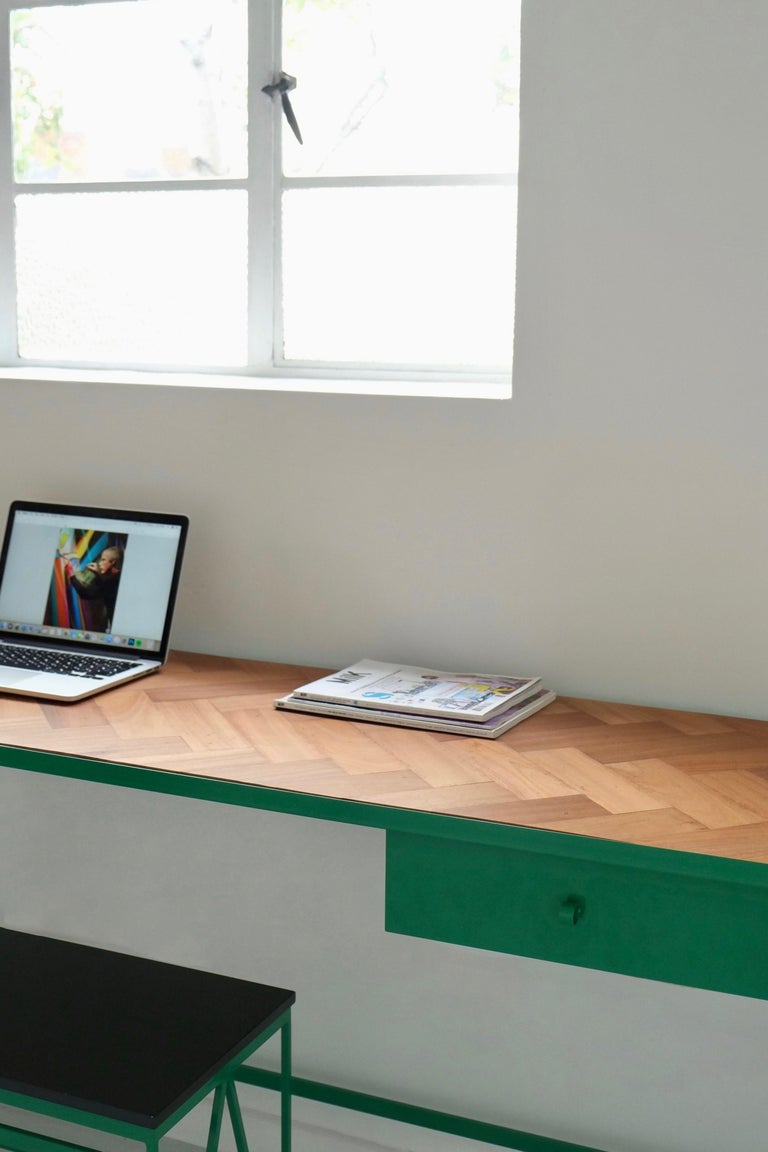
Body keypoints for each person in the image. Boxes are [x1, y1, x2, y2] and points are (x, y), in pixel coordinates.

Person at [62, 545, 124, 632]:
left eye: (103, 560)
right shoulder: (117, 578)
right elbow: (103, 587)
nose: (100, 563)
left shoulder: (113, 582)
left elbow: (85, 593)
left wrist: (71, 574)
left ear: (112, 562)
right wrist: (97, 573)